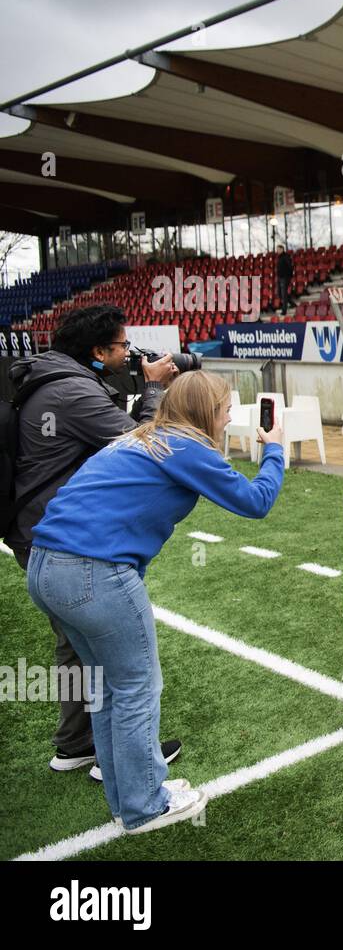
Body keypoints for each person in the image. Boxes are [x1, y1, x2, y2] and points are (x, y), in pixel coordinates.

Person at [26, 371, 286, 833]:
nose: (229, 418)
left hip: (44, 566)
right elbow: (256, 501)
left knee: (108, 688)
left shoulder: (139, 437)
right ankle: (145, 805)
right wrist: (275, 450)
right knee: (136, 688)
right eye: (226, 409)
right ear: (206, 412)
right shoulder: (187, 446)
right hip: (91, 571)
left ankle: (128, 798)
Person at [5, 305, 181, 781]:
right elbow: (142, 443)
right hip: (59, 538)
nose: (128, 353)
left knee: (74, 645)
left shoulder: (54, 377)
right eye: (122, 346)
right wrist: (154, 389)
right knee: (113, 650)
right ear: (98, 351)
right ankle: (119, 758)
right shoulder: (73, 391)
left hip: (37, 529)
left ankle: (76, 744)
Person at [275, 245, 294, 312]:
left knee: (283, 294)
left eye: (278, 249)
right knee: (279, 293)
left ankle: (284, 310)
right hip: (279, 277)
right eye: (277, 249)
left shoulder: (286, 256)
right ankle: (292, 303)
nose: (277, 251)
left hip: (285, 278)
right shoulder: (279, 257)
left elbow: (290, 266)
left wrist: (289, 276)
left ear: (282, 249)